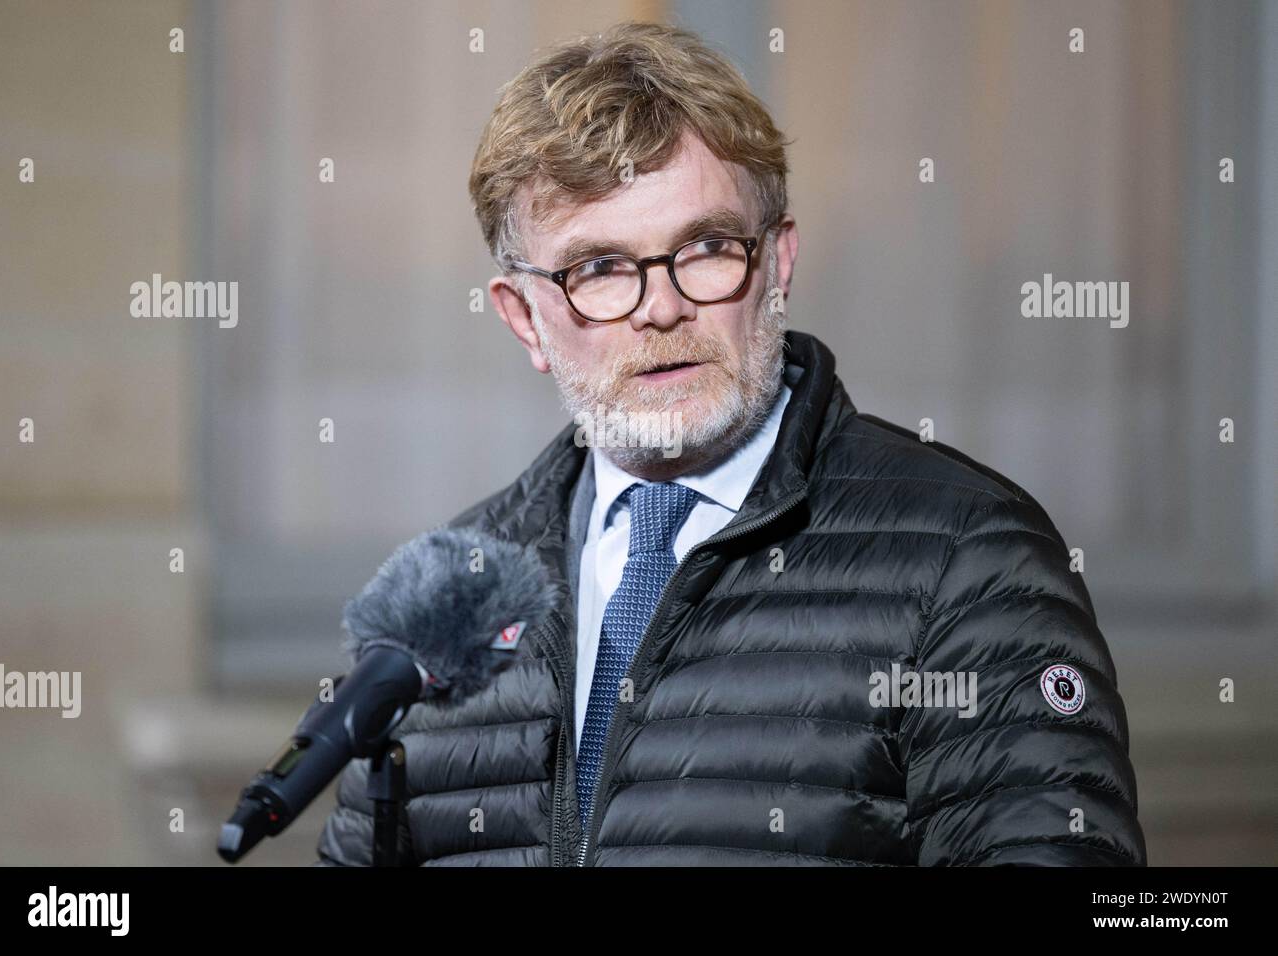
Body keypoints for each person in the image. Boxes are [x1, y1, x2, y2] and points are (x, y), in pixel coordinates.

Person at [315, 20, 1147, 866]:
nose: (661, 308)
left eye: (706, 248)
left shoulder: (970, 560)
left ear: (777, 265)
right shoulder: (454, 600)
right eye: (599, 268)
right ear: (525, 317)